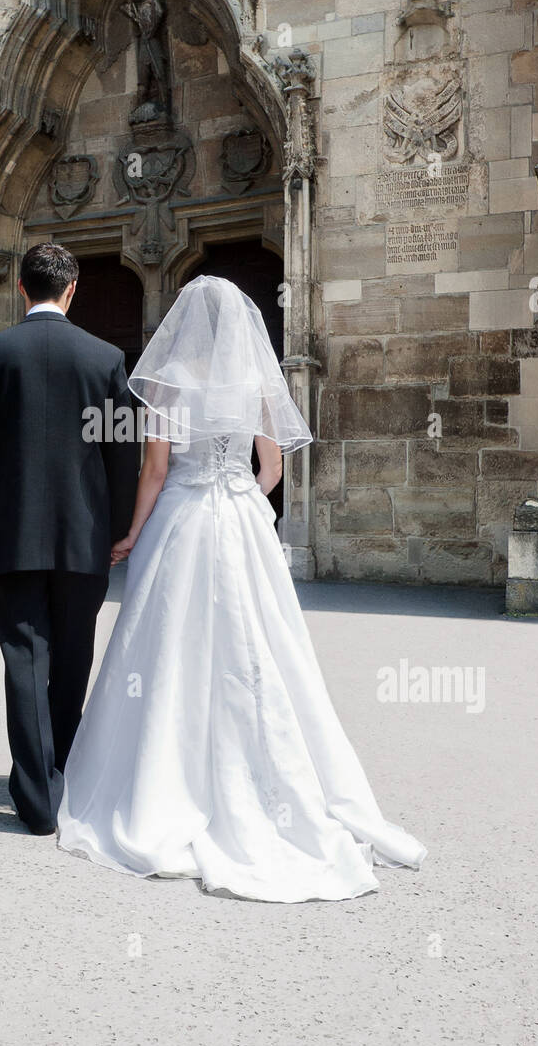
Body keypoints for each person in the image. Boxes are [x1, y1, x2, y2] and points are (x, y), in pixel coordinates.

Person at [57, 275, 426, 902]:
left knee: (167, 645)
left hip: (181, 518)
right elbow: (274, 466)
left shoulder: (171, 380)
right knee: (263, 645)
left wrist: (132, 533)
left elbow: (155, 469)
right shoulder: (255, 383)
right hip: (240, 519)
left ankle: (157, 779)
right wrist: (245, 504)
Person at [0, 242, 139, 835]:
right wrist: (118, 530)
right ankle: (62, 769)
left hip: (8, 537)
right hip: (85, 537)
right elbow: (121, 452)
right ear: (73, 288)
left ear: (20, 289)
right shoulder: (106, 357)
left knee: (24, 661)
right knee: (73, 657)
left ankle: (38, 800)